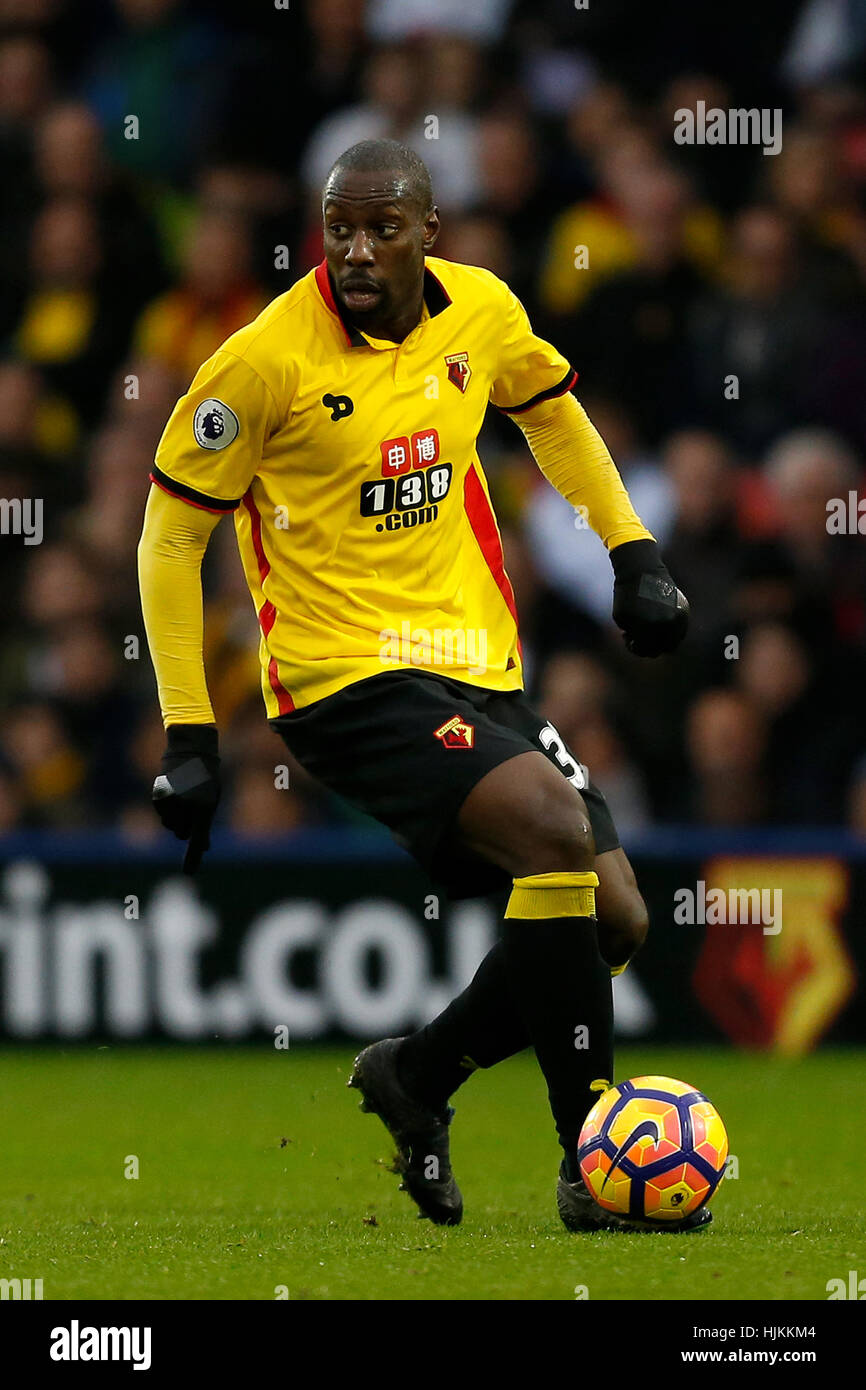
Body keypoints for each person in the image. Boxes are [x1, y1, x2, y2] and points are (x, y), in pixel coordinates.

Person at [138, 139, 697, 1233]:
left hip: (476, 664)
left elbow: (549, 411)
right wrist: (189, 730)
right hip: (340, 679)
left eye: (380, 228)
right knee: (551, 831)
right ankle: (592, 1159)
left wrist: (631, 549)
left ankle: (420, 1072)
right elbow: (168, 536)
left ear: (427, 233)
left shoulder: (480, 310)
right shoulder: (260, 362)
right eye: (336, 228)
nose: (354, 250)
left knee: (616, 916)